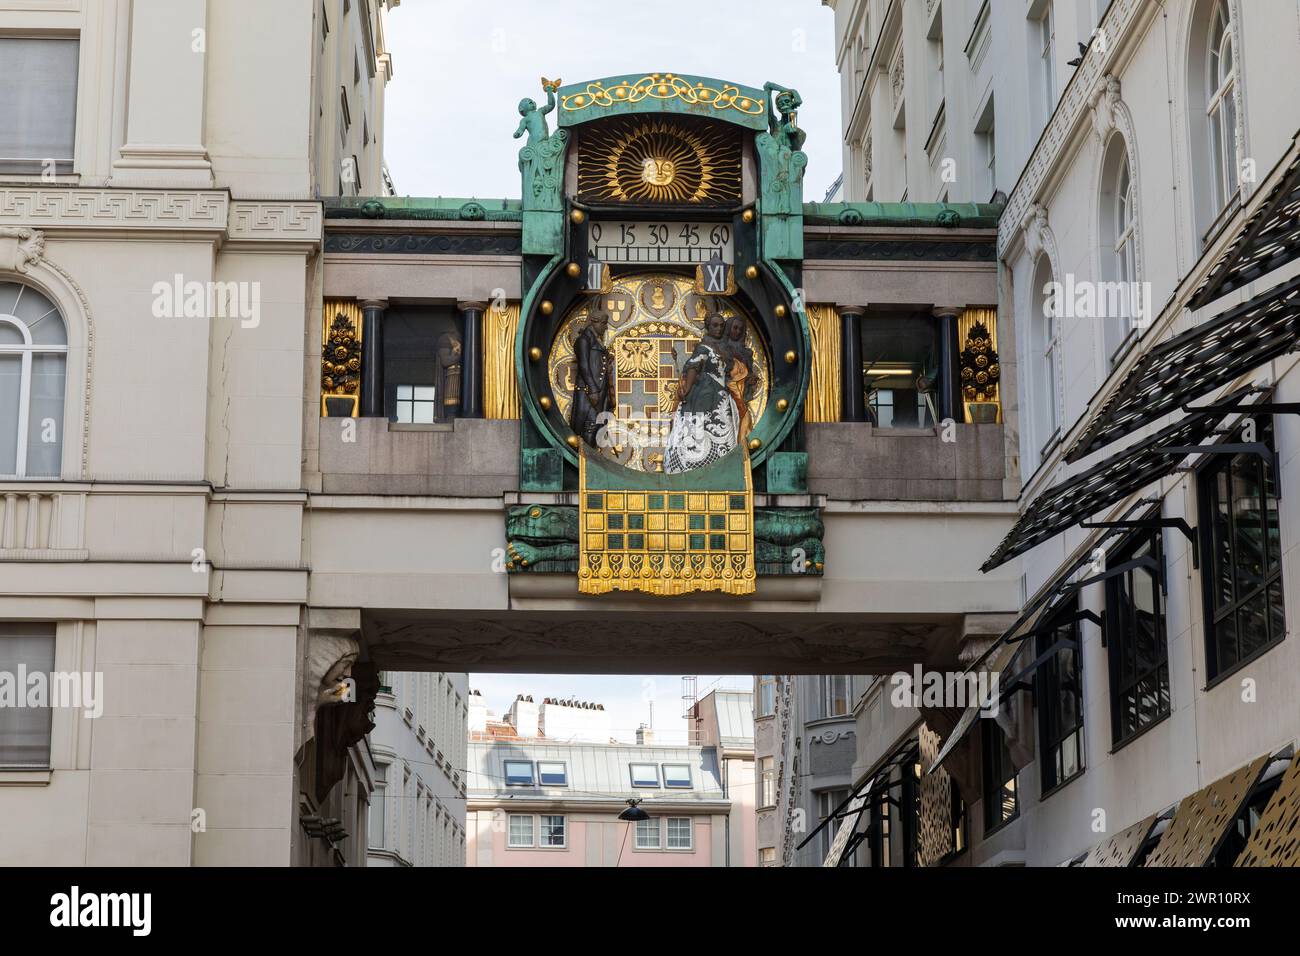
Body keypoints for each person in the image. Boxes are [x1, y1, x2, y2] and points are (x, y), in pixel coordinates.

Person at [663, 312, 739, 473]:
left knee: (722, 429)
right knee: (700, 428)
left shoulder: (722, 347)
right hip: (706, 394)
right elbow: (693, 367)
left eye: (721, 326)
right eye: (715, 325)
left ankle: (720, 467)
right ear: (707, 327)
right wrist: (688, 388)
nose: (719, 328)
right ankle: (694, 463)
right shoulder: (703, 347)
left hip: (721, 395)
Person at [569, 304, 615, 448]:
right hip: (589, 392)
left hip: (598, 392)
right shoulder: (583, 340)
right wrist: (593, 390)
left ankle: (590, 455)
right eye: (604, 323)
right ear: (594, 322)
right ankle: (585, 457)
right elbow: (584, 366)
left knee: (596, 425)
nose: (606, 327)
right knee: (589, 425)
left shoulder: (595, 340)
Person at [724, 316, 757, 440]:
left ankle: (742, 440)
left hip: (741, 389)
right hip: (728, 390)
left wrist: (750, 379)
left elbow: (747, 372)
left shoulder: (746, 353)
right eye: (735, 328)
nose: (737, 331)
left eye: (740, 329)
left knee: (742, 414)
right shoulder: (722, 349)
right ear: (728, 329)